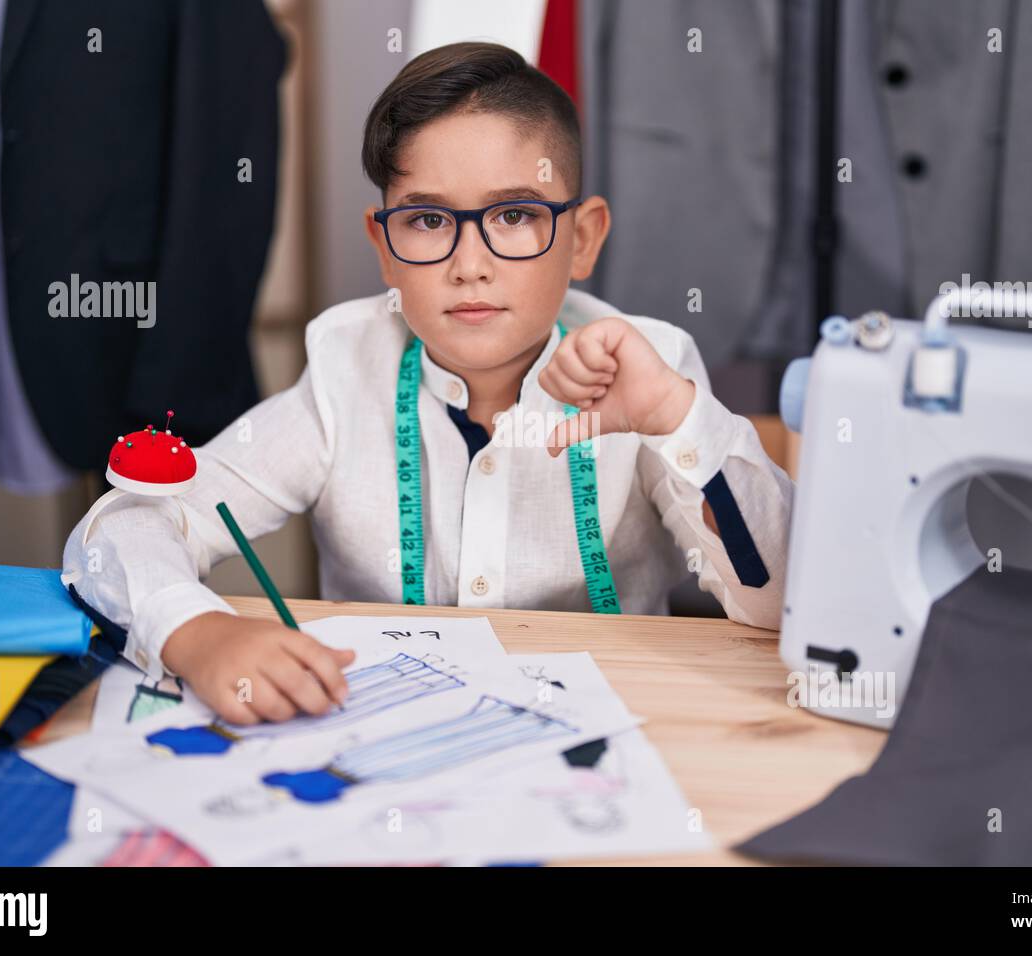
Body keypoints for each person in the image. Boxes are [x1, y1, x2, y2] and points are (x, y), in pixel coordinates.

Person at [62, 42, 793, 724]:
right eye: (427, 220)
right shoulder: (347, 369)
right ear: (384, 247)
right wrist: (197, 631)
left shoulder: (653, 367)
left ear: (582, 238)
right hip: (393, 745)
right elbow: (120, 527)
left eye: (513, 215)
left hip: (617, 735)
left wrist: (673, 416)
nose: (469, 263)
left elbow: (784, 600)